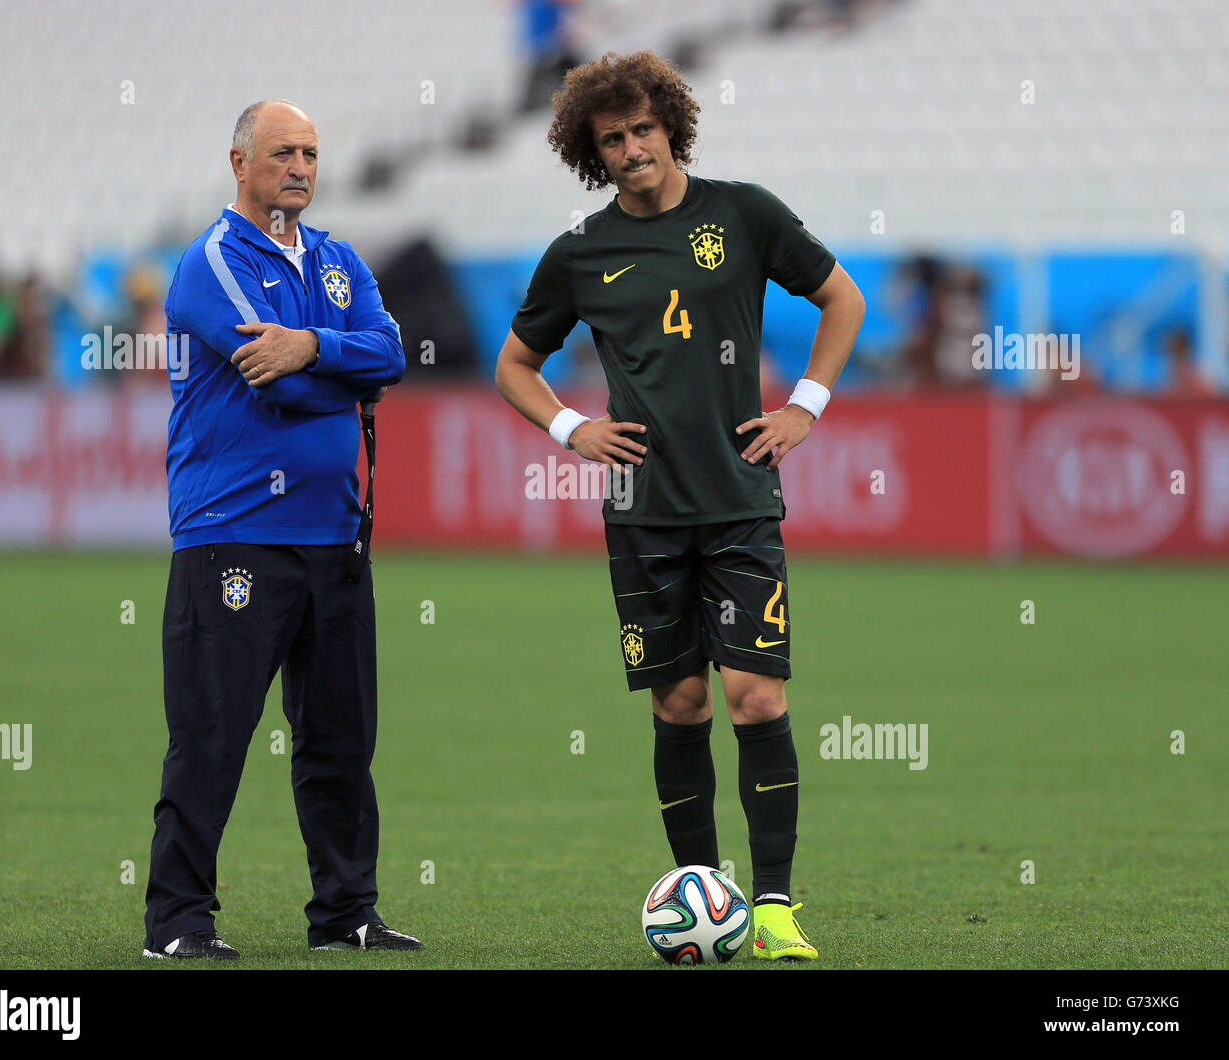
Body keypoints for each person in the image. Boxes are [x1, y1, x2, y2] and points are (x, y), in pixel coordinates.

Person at [495, 52, 864, 961]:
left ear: (671, 126)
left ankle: (774, 906)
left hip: (739, 497)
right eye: (611, 139)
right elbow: (513, 365)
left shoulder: (742, 213)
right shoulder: (578, 254)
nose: (631, 149)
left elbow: (841, 298)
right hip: (642, 508)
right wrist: (572, 428)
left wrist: (805, 405)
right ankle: (707, 897)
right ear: (594, 152)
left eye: (642, 130)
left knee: (754, 696)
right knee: (682, 703)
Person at [143, 99, 419, 959]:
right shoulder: (212, 262)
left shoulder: (338, 260)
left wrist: (311, 346)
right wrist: (330, 360)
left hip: (336, 538)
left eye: (309, 152)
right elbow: (280, 385)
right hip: (234, 535)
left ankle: (346, 913)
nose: (299, 167)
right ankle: (178, 921)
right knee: (212, 736)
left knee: (341, 739)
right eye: (281, 152)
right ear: (239, 163)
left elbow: (394, 354)